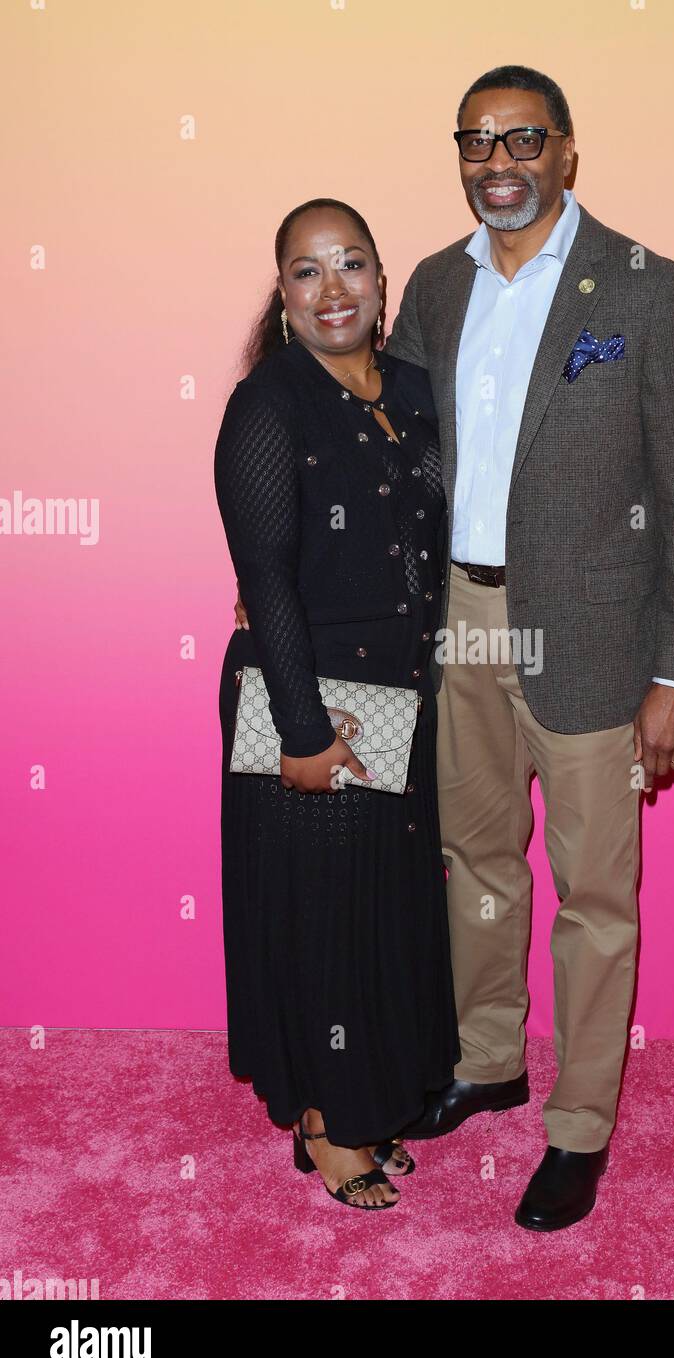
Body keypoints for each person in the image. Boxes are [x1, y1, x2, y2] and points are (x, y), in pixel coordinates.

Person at [384, 65, 674, 1231]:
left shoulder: (645, 291)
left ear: (568, 152)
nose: (499, 162)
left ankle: (579, 1128)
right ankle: (489, 1061)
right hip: (459, 626)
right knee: (475, 864)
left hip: (594, 643)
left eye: (523, 138)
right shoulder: (434, 287)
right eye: (477, 141)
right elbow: (396, 459)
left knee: (596, 896)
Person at [215, 197, 460, 1211]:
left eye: (351, 264)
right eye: (307, 271)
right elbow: (263, 574)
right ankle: (324, 1124)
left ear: (382, 281)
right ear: (282, 294)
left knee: (382, 915)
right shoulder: (269, 404)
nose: (333, 289)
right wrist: (306, 734)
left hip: (404, 685)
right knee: (318, 920)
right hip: (309, 693)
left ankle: (367, 1097)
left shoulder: (409, 387)